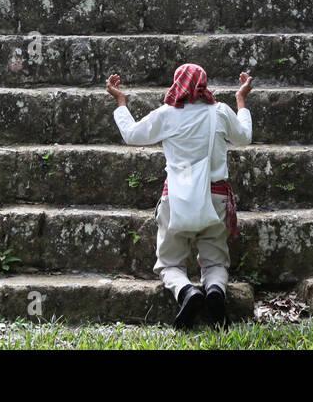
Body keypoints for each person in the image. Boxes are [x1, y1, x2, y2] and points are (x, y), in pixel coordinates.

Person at [106, 64, 253, 329]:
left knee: (169, 263)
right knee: (215, 261)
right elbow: (244, 138)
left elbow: (131, 135)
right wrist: (241, 100)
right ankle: (215, 292)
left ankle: (187, 291)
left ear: (177, 84)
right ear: (203, 84)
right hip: (215, 197)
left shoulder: (166, 115)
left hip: (176, 200)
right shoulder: (220, 112)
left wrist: (121, 101)